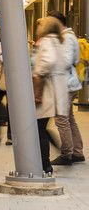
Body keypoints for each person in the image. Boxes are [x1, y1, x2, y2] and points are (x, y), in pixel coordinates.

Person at [32, 16, 70, 175]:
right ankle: (53, 154)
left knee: (38, 128)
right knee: (41, 127)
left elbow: (46, 62)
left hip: (44, 91)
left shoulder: (47, 41)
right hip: (54, 90)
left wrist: (38, 75)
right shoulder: (59, 41)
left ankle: (45, 165)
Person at [48, 11, 84, 165]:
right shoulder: (67, 37)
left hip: (65, 84)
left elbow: (66, 61)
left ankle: (67, 153)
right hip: (69, 82)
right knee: (69, 118)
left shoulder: (67, 38)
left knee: (61, 119)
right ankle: (77, 152)